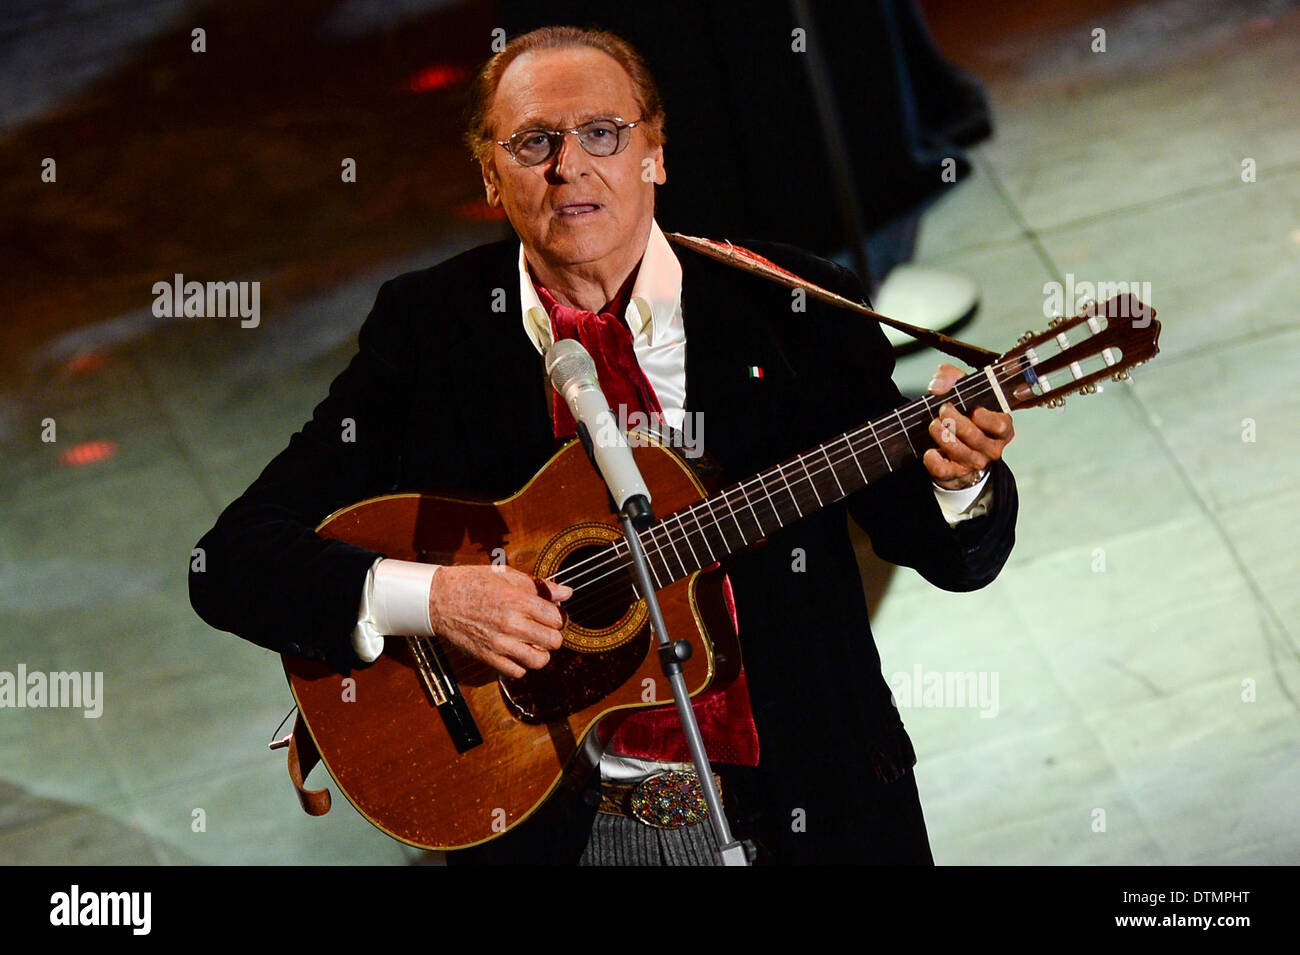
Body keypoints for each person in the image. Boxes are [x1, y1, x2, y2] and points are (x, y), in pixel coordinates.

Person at [189, 25, 1018, 865]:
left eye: (601, 134)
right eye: (533, 142)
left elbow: (947, 552)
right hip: (570, 830)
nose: (568, 166)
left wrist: (959, 478)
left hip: (815, 804)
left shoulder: (794, 308)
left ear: (653, 152)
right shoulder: (430, 334)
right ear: (488, 172)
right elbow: (230, 560)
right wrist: (438, 600)